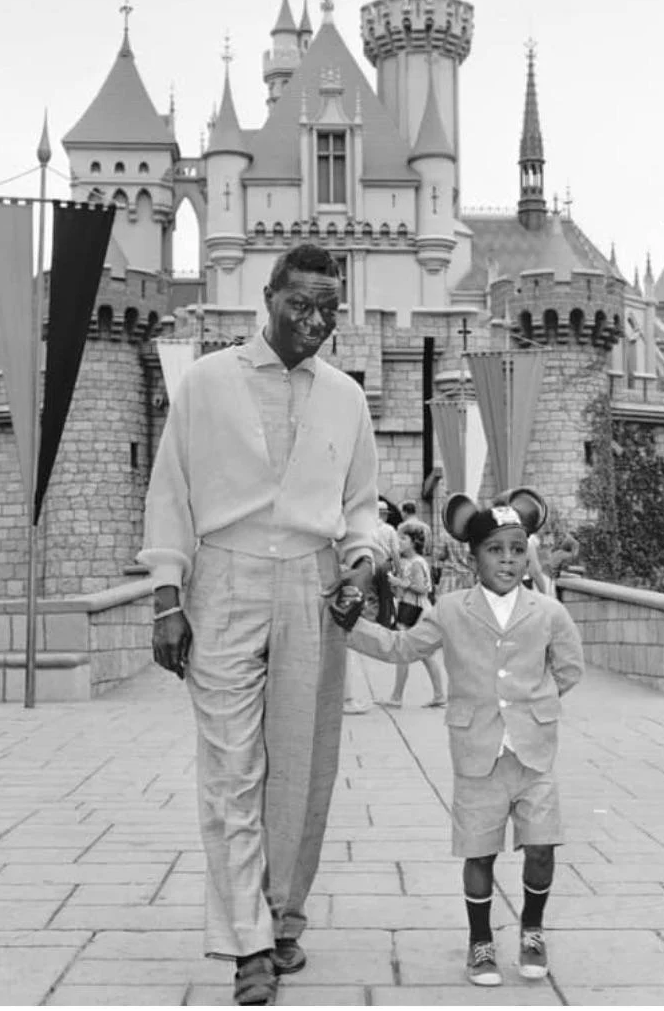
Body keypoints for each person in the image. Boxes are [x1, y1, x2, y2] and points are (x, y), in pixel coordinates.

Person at [139, 243, 378, 1006]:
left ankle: (283, 918)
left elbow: (363, 505)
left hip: (312, 581)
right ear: (267, 296)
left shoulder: (346, 396)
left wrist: (362, 565)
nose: (314, 322)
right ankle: (246, 945)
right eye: (299, 304)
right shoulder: (208, 383)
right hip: (225, 579)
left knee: (304, 767)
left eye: (328, 310)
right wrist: (167, 598)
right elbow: (170, 492)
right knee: (230, 769)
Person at [342, 487, 584, 988]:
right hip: (477, 752)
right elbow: (403, 647)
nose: (509, 560)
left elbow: (570, 669)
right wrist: (352, 629)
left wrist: (533, 706)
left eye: (518, 550)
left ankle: (532, 929)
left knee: (542, 847)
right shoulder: (450, 609)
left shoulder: (548, 612)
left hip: (532, 754)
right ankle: (480, 941)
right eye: (496, 550)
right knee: (479, 852)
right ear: (472, 555)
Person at [345, 499, 398, 714]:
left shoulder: (353, 523)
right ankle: (346, 698)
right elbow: (391, 553)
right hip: (372, 570)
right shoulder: (383, 529)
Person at [384, 524, 446, 708]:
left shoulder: (416, 563)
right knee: (425, 654)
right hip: (414, 609)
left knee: (404, 652)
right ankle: (439, 695)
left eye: (403, 539)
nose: (399, 542)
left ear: (413, 542)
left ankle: (397, 697)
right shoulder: (414, 561)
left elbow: (422, 588)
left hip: (415, 611)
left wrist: (399, 582)